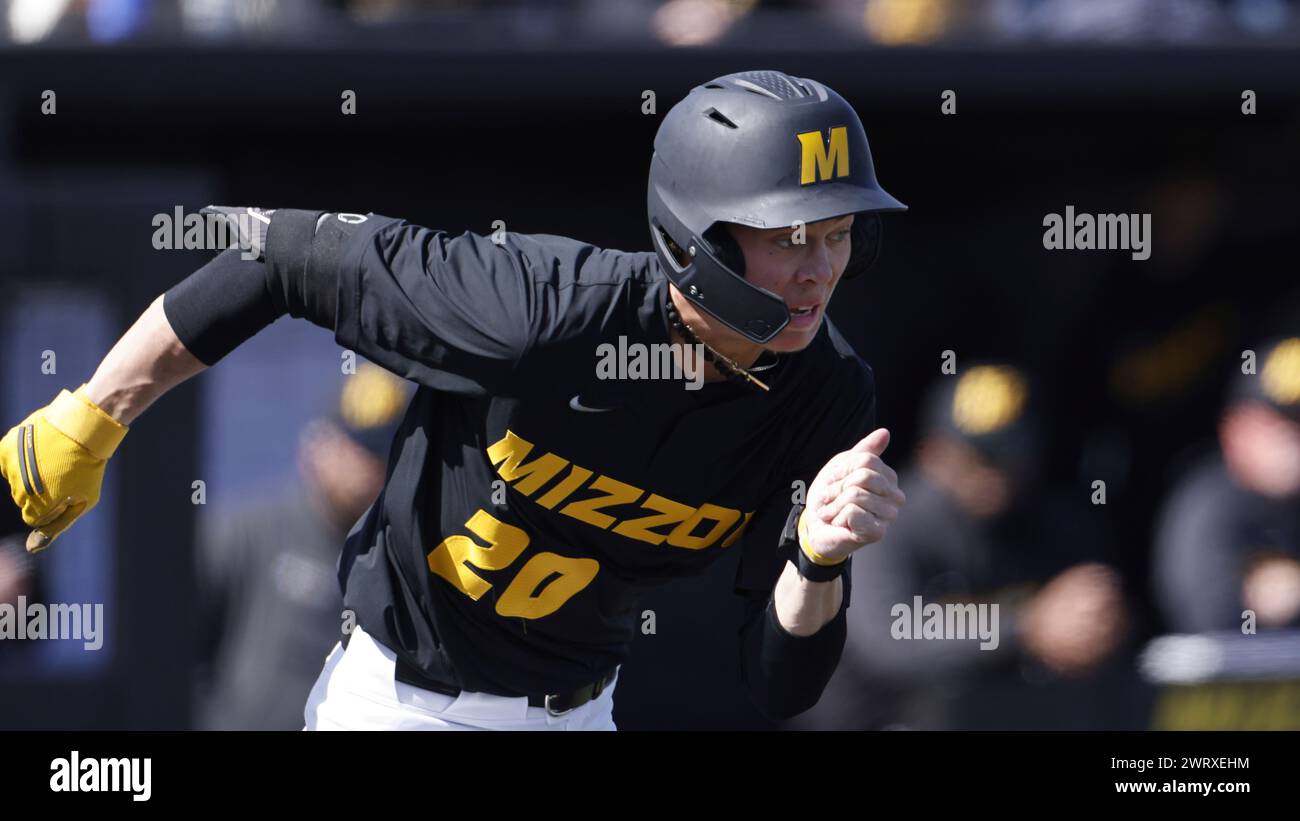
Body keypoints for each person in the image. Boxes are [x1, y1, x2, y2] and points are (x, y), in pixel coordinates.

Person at [0, 70, 907, 731]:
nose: (820, 268)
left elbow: (781, 680)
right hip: (404, 707)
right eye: (790, 234)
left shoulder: (827, 393)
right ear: (699, 238)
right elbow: (274, 254)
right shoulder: (538, 308)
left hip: (584, 714)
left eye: (835, 234)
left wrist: (817, 561)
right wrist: (97, 410)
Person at [788, 365, 1131, 730]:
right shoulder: (885, 519)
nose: (996, 473)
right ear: (933, 451)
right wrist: (1027, 623)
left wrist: (1100, 624)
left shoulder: (1050, 520)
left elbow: (1105, 618)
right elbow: (890, 635)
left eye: (1010, 455)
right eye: (980, 457)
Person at [194, 364, 411, 730]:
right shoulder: (245, 533)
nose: (373, 468)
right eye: (360, 449)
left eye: (388, 454)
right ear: (317, 445)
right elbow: (175, 655)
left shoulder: (408, 559)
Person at [1154, 336, 1300, 634]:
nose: (1296, 442)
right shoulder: (1210, 505)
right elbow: (1206, 623)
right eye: (1286, 425)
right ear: (1236, 431)